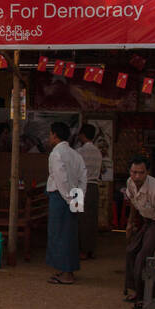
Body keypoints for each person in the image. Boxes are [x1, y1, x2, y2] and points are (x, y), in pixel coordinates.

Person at [123, 153, 155, 308]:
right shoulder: (130, 183)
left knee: (143, 256)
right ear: (130, 172)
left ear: (147, 173)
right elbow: (133, 202)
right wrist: (130, 223)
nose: (137, 176)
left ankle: (144, 297)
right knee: (131, 251)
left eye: (141, 173)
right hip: (147, 220)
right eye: (134, 172)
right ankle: (134, 290)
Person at [46, 121, 86, 285]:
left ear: (55, 135)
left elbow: (61, 180)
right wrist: (77, 200)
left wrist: (69, 200)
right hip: (74, 196)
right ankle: (65, 269)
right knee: (69, 234)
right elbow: (83, 178)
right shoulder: (75, 154)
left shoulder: (56, 154)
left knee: (60, 235)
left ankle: (67, 273)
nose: (49, 137)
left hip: (60, 198)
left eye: (50, 134)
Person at [75, 123, 103, 260]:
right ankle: (91, 249)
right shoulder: (98, 151)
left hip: (80, 187)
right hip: (94, 187)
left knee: (79, 220)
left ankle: (82, 250)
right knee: (91, 219)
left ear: (82, 135)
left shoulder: (79, 152)